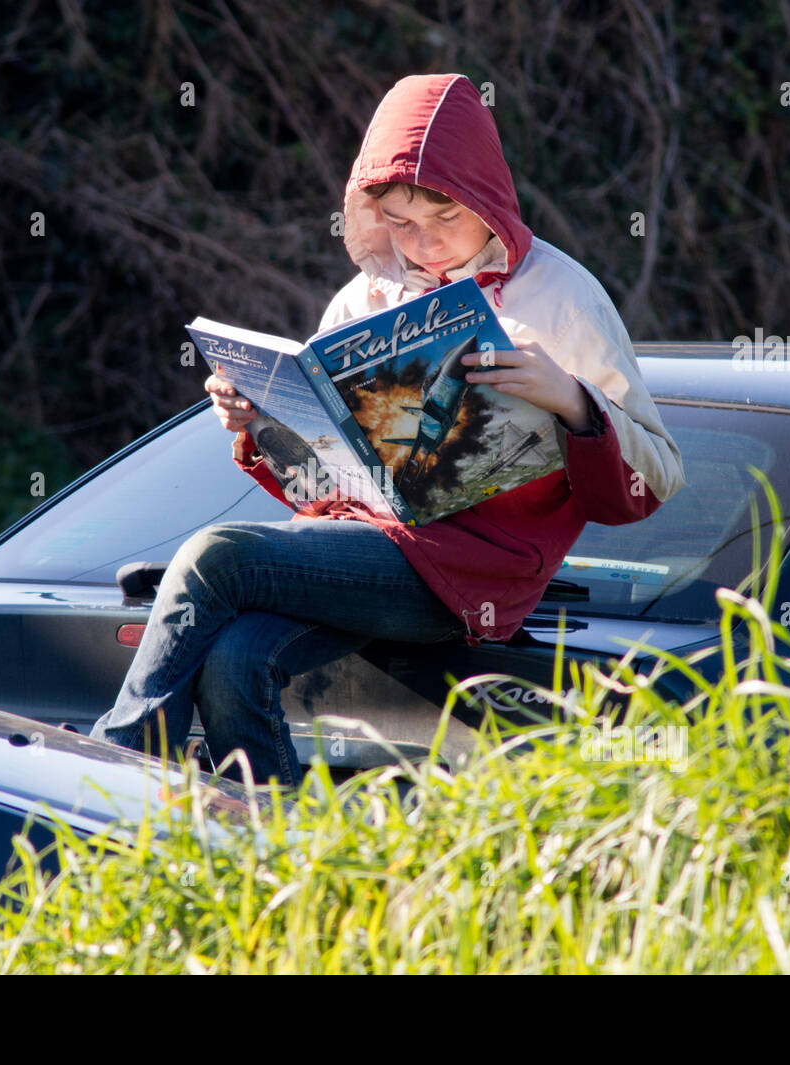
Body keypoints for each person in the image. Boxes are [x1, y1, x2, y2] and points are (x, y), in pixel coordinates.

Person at [89, 73, 685, 787]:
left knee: (215, 552)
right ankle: (272, 860)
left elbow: (657, 476)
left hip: (470, 574)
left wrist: (573, 400)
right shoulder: (364, 296)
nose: (423, 242)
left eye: (444, 217)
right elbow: (321, 481)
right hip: (366, 548)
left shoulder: (562, 296)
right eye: (400, 222)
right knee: (235, 659)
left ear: (489, 202)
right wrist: (258, 423)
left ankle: (115, 766)